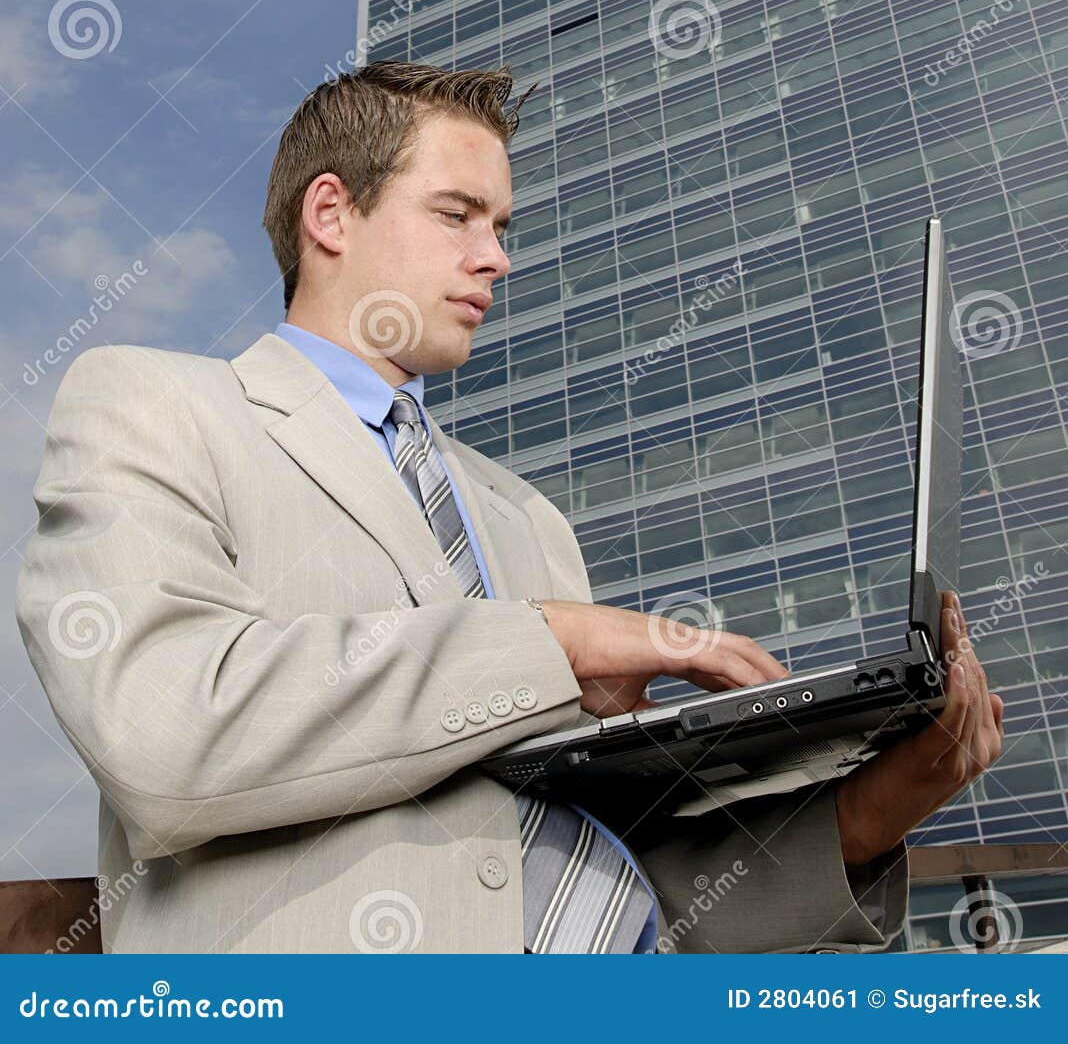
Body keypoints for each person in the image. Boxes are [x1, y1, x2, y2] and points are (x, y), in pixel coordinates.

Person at [16, 61, 1002, 953]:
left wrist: (871, 813)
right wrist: (550, 642)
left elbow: (591, 874)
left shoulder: (525, 516)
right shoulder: (152, 404)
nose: (497, 258)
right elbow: (164, 737)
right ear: (330, 214)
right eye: (457, 215)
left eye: (502, 228)